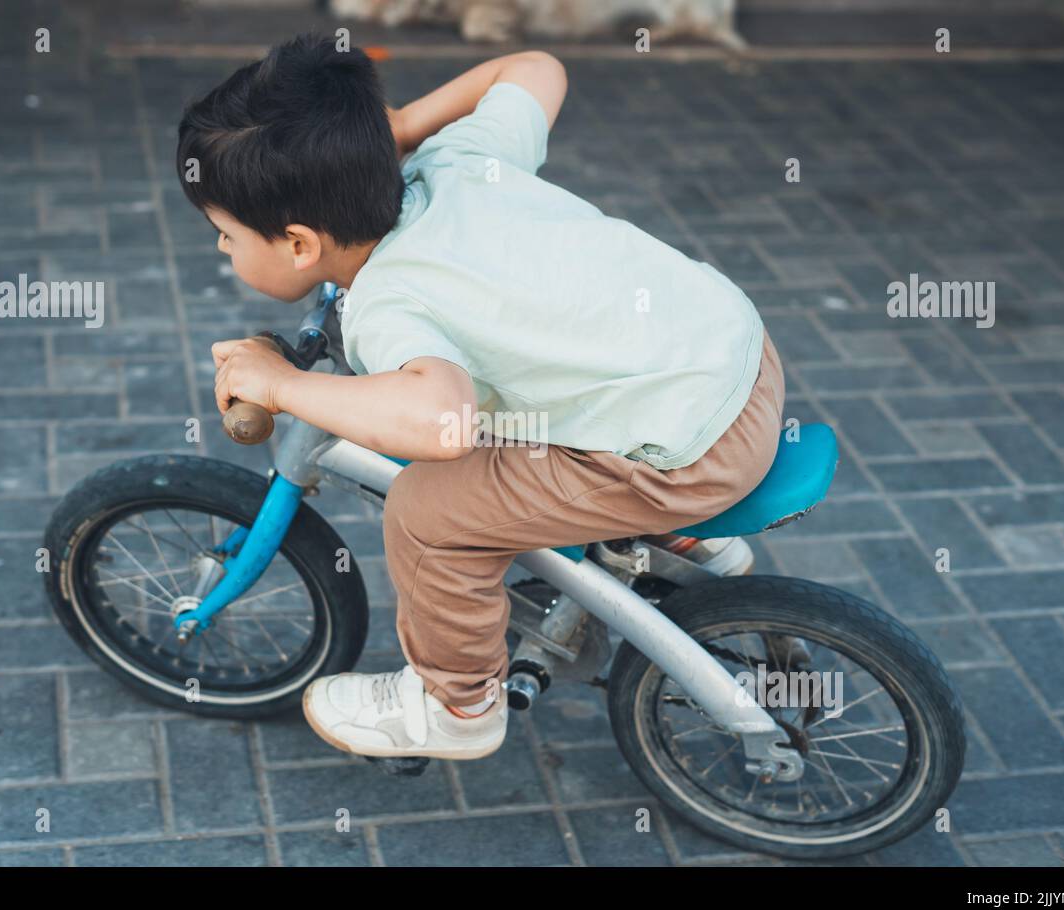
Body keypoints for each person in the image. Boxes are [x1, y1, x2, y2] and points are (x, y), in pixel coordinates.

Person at [180, 33, 785, 760]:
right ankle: (680, 543)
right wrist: (403, 127)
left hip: (687, 455)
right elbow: (535, 65)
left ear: (302, 245)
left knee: (429, 510)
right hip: (737, 357)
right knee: (523, 401)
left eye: (226, 235)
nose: (221, 249)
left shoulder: (391, 304)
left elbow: (441, 424)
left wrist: (281, 383)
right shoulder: (457, 160)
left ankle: (454, 707)